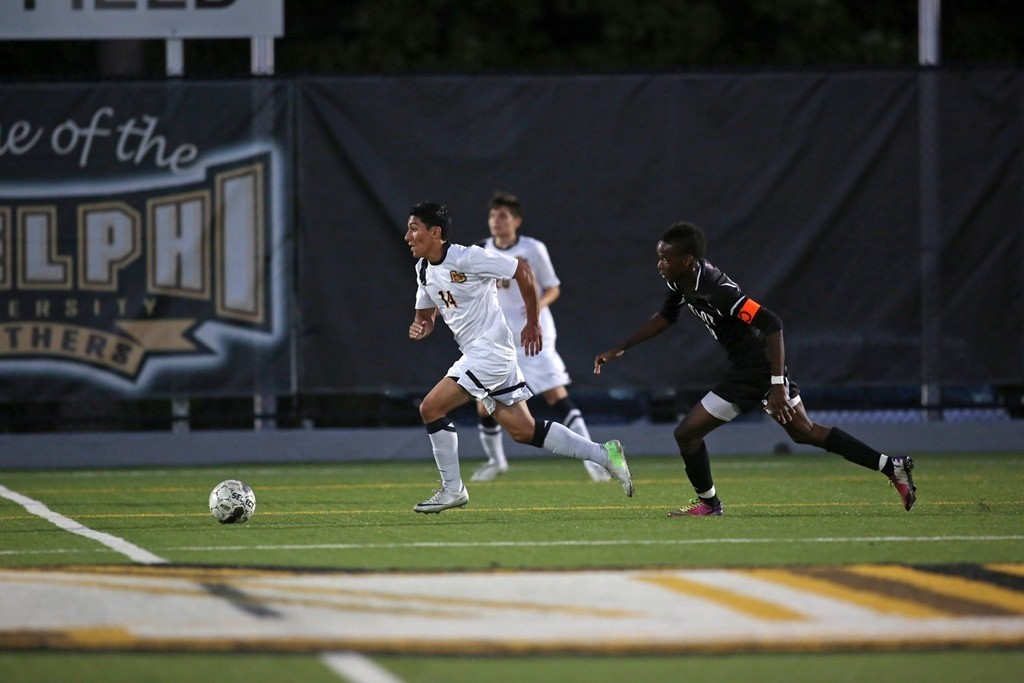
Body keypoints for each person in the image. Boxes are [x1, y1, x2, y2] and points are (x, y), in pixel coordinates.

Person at [593, 221, 916, 517]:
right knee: (804, 431)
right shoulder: (681, 282)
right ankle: (892, 467)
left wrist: (776, 385)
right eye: (659, 257)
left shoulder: (718, 291)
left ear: (688, 260)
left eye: (666, 258)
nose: (660, 264)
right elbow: (666, 316)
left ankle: (709, 504)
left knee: (687, 433)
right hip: (752, 368)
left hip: (756, 370)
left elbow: (772, 323)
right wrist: (622, 347)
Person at [405, 201, 633, 513]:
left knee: (431, 408)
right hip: (481, 353)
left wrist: (533, 321)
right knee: (523, 431)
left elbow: (521, 270)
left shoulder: (468, 256)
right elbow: (426, 313)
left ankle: (452, 489)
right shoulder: (422, 269)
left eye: (413, 228)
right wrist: (423, 325)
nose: (407, 236)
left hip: (490, 352)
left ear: (435, 232)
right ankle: (605, 455)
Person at [471, 192, 610, 483]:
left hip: (534, 334)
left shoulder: (533, 249)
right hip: (498, 337)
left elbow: (553, 287)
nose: (496, 221)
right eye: (493, 215)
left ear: (516, 221)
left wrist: (536, 306)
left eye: (503, 216)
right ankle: (496, 461)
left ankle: (594, 460)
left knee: (555, 393)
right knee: (483, 403)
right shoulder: (482, 250)